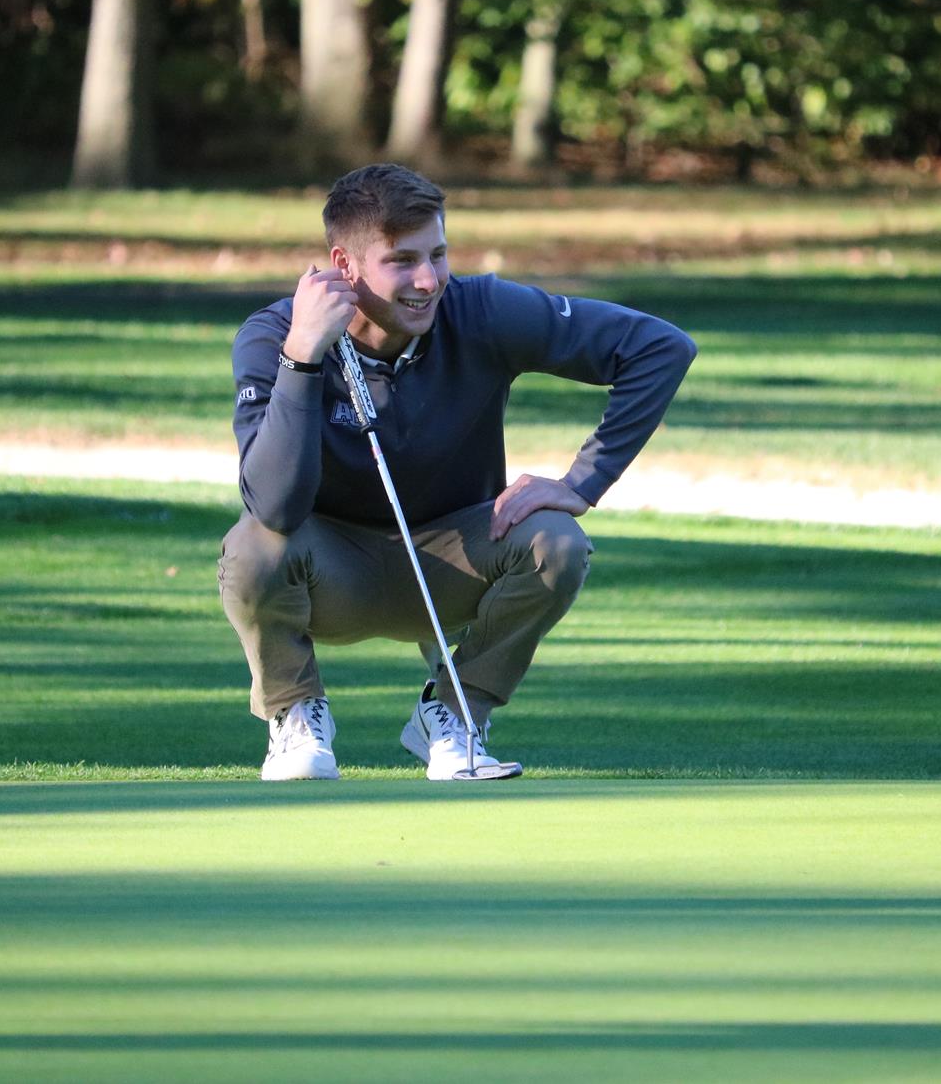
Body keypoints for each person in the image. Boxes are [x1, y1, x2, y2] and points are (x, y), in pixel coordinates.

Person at [218, 164, 696, 781]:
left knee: (559, 541)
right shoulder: (274, 336)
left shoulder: (482, 310)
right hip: (327, 573)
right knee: (252, 546)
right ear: (345, 264)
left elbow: (660, 348)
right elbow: (276, 509)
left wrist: (582, 482)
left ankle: (454, 716)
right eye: (402, 260)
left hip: (455, 566)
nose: (427, 280)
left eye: (439, 255)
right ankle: (296, 717)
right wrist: (304, 356)